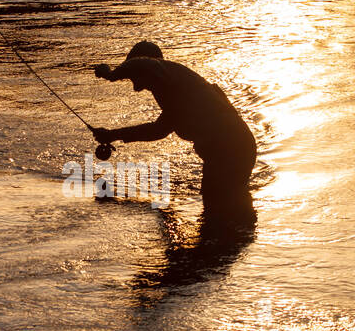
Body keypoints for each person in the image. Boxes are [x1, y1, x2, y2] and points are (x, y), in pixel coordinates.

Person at [91, 41, 257, 224]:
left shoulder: (165, 71)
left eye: (134, 77)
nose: (135, 86)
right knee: (220, 208)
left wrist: (111, 74)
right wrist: (112, 135)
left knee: (217, 210)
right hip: (235, 150)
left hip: (231, 150)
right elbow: (157, 131)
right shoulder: (178, 91)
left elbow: (143, 63)